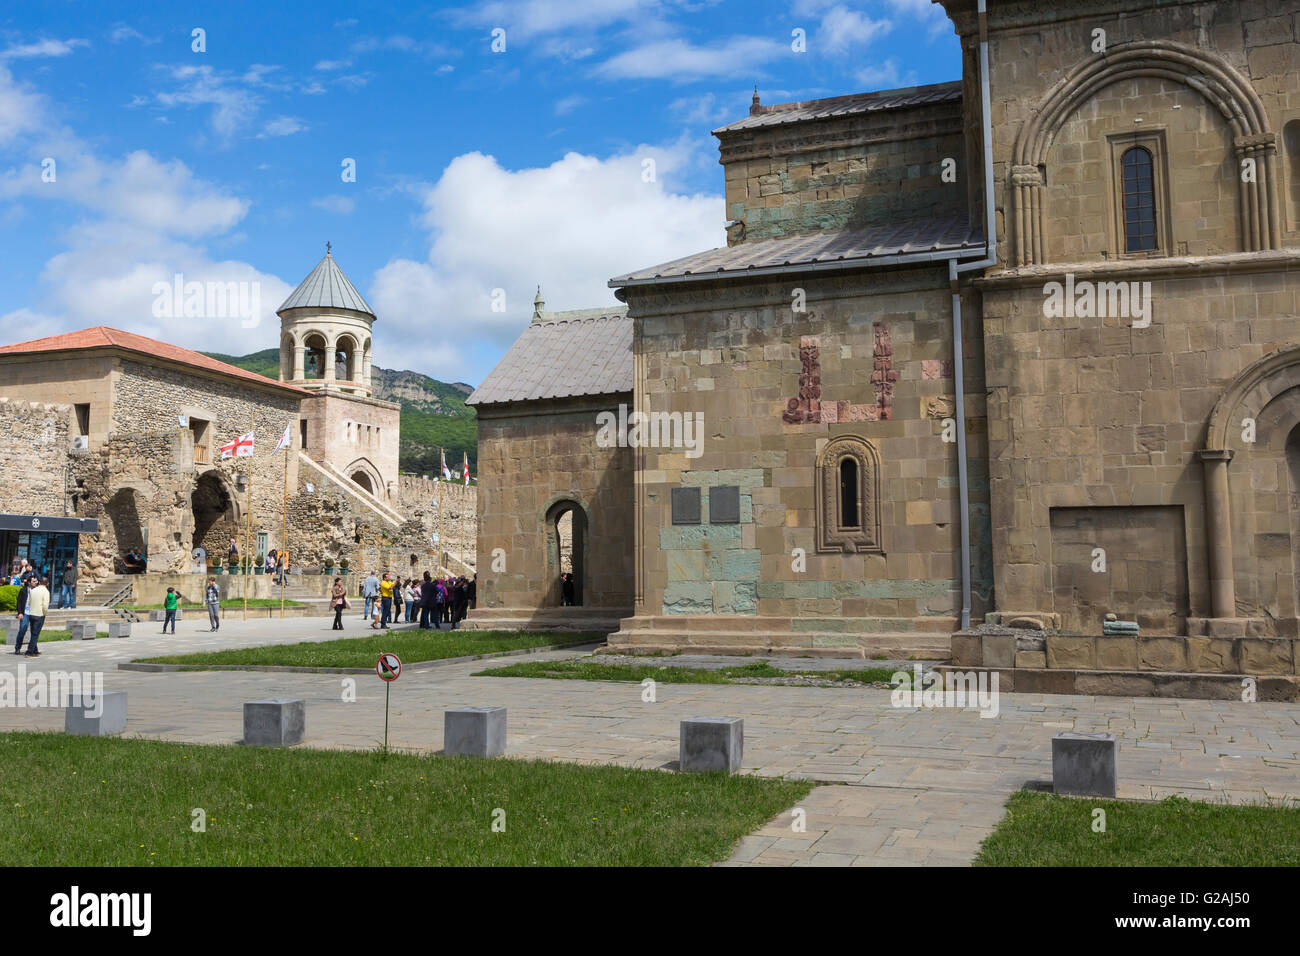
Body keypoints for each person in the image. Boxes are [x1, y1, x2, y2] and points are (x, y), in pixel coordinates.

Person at [21, 577, 49, 657]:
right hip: (39, 614)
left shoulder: (33, 590)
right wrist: (44, 613)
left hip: (31, 614)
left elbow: (29, 602)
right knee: (35, 634)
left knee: (33, 632)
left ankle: (35, 650)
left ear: (39, 582)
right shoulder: (46, 591)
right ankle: (29, 651)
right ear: (47, 584)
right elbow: (45, 605)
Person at [11, 576, 32, 654]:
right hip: (25, 613)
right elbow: (19, 602)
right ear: (29, 582)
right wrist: (20, 612)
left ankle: (33, 649)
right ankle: (17, 647)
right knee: (22, 629)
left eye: (36, 581)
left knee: (34, 632)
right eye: (33, 581)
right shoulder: (23, 590)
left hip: (34, 613)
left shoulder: (37, 591)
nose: (35, 583)